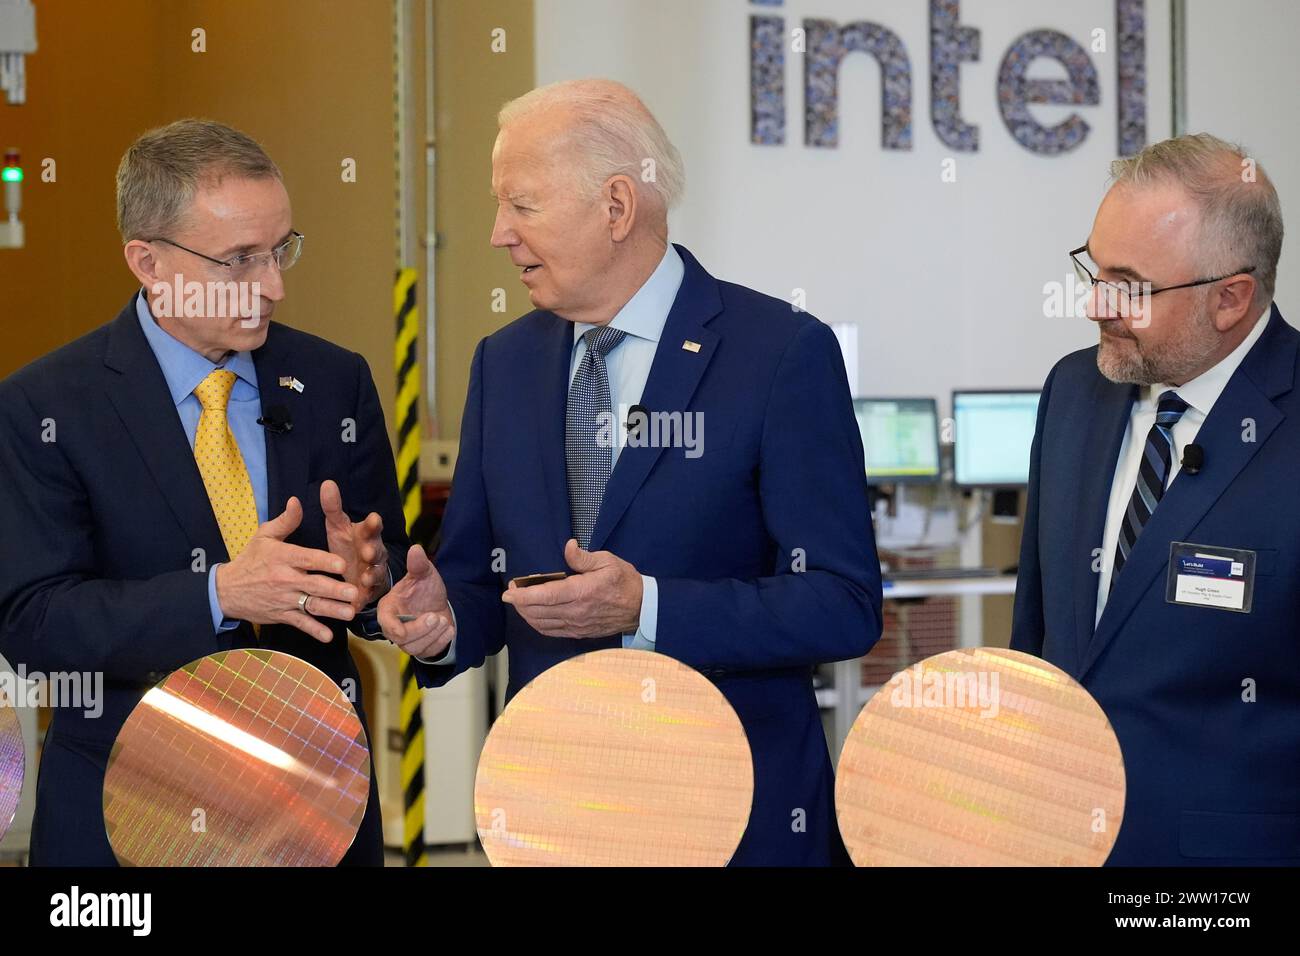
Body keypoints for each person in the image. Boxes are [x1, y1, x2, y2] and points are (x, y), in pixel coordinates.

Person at [379, 79, 882, 865]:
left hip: (737, 811)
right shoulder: (503, 364)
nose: (496, 234)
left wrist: (645, 606)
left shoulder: (779, 353)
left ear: (616, 207)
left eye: (522, 205)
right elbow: (482, 582)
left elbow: (841, 604)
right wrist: (440, 623)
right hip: (556, 813)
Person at [0, 119, 408, 865]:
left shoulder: (332, 381)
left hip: (314, 808)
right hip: (130, 808)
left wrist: (375, 585)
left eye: (282, 249)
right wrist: (218, 594)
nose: (274, 285)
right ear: (147, 262)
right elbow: (32, 625)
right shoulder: (45, 407)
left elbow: (385, 579)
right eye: (240, 260)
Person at [1012, 133, 1297, 865]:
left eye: (1129, 284)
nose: (1095, 305)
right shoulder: (1074, 391)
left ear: (1231, 298)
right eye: (1093, 269)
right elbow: (1039, 632)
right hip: (1059, 834)